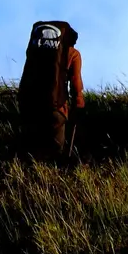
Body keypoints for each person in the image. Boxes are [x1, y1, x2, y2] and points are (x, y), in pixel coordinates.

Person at [18, 22, 85, 160]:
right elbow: (75, 83)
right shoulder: (72, 54)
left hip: (28, 106)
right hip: (55, 109)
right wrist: (78, 102)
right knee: (54, 153)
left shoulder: (35, 50)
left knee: (30, 151)